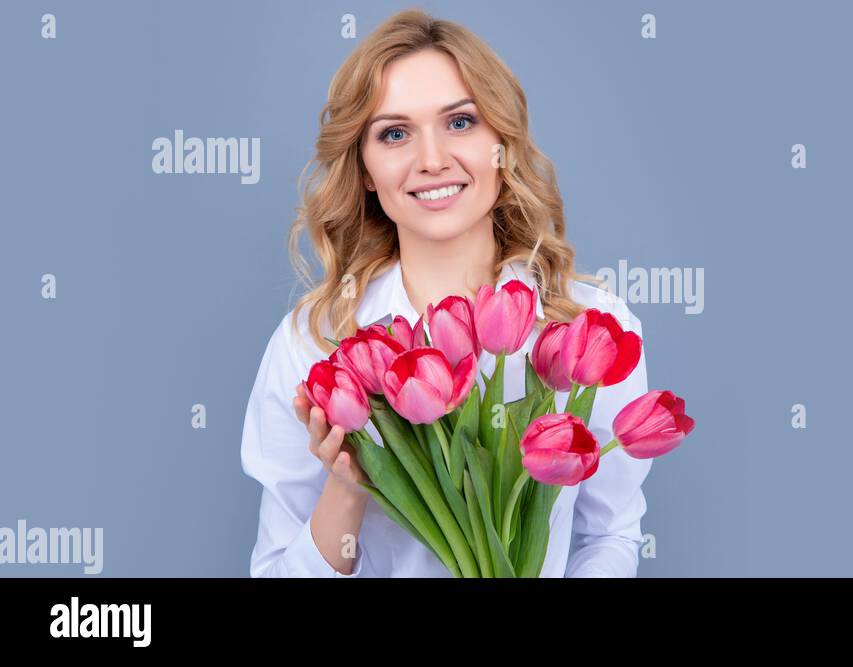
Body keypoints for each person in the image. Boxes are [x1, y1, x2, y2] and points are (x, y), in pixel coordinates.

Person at [240, 10, 651, 577]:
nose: (432, 160)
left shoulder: (586, 327)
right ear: (364, 167)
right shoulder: (315, 344)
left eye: (460, 122)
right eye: (395, 133)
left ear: (501, 141)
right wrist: (352, 487)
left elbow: (608, 536)